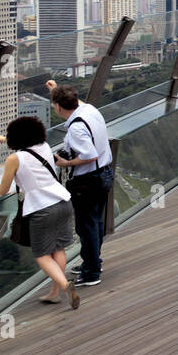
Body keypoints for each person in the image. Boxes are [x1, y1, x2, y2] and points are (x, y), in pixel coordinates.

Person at [0, 117, 79, 308]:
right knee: (58, 248)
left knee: (42, 254)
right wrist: (3, 139)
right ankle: (54, 293)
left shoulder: (14, 159)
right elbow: (27, 150)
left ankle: (66, 285)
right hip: (63, 202)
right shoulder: (43, 145)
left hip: (41, 209)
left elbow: (2, 189)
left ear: (17, 137)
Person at [47, 79, 113, 287]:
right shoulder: (89, 110)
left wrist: (67, 162)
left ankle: (92, 272)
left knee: (87, 227)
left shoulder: (76, 128)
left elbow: (89, 155)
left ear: (58, 107)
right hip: (105, 174)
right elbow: (76, 102)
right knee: (96, 222)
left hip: (88, 181)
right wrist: (56, 90)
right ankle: (93, 263)